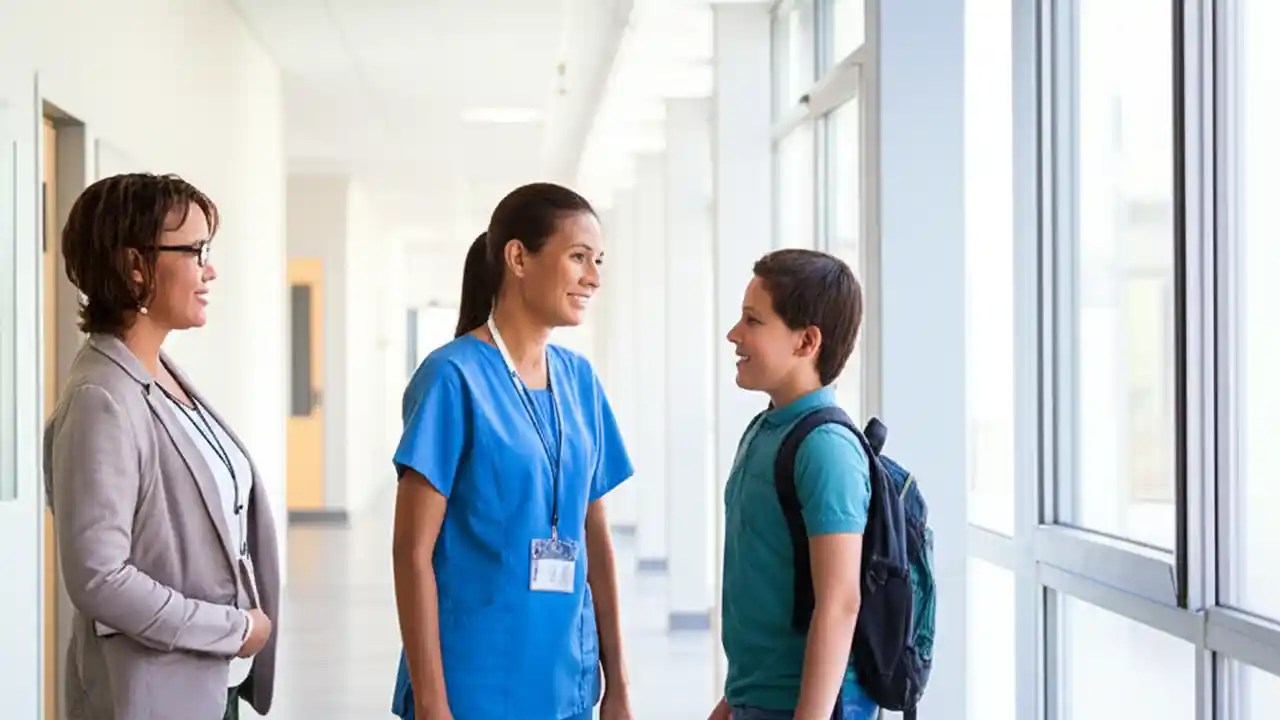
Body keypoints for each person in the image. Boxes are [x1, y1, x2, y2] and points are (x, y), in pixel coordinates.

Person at [390, 183, 634, 720]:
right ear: (518, 257)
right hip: (473, 683)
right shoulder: (452, 379)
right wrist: (433, 703)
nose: (593, 276)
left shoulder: (581, 382)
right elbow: (411, 553)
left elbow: (596, 539)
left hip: (565, 677)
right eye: (577, 257)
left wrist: (618, 684)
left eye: (598, 260)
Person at [43, 173, 280, 720]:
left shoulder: (157, 372)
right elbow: (100, 579)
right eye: (196, 250)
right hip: (152, 696)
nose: (209, 269)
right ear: (135, 267)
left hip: (206, 682)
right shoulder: (100, 398)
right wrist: (234, 627)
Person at [710, 249, 879, 720]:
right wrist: (734, 698)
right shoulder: (768, 429)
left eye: (752, 321)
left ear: (806, 342)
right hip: (759, 699)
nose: (734, 334)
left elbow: (840, 601)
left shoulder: (825, 448)